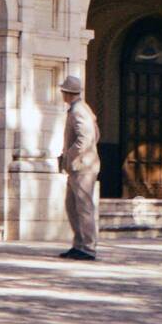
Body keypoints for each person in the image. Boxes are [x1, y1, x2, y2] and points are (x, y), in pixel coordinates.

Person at [57, 74, 100, 261]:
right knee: (72, 206)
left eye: (63, 91)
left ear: (67, 93)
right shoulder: (79, 109)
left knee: (83, 207)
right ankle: (79, 244)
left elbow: (86, 138)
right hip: (79, 165)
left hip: (83, 166)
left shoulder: (78, 111)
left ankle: (88, 247)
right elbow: (96, 134)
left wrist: (69, 156)